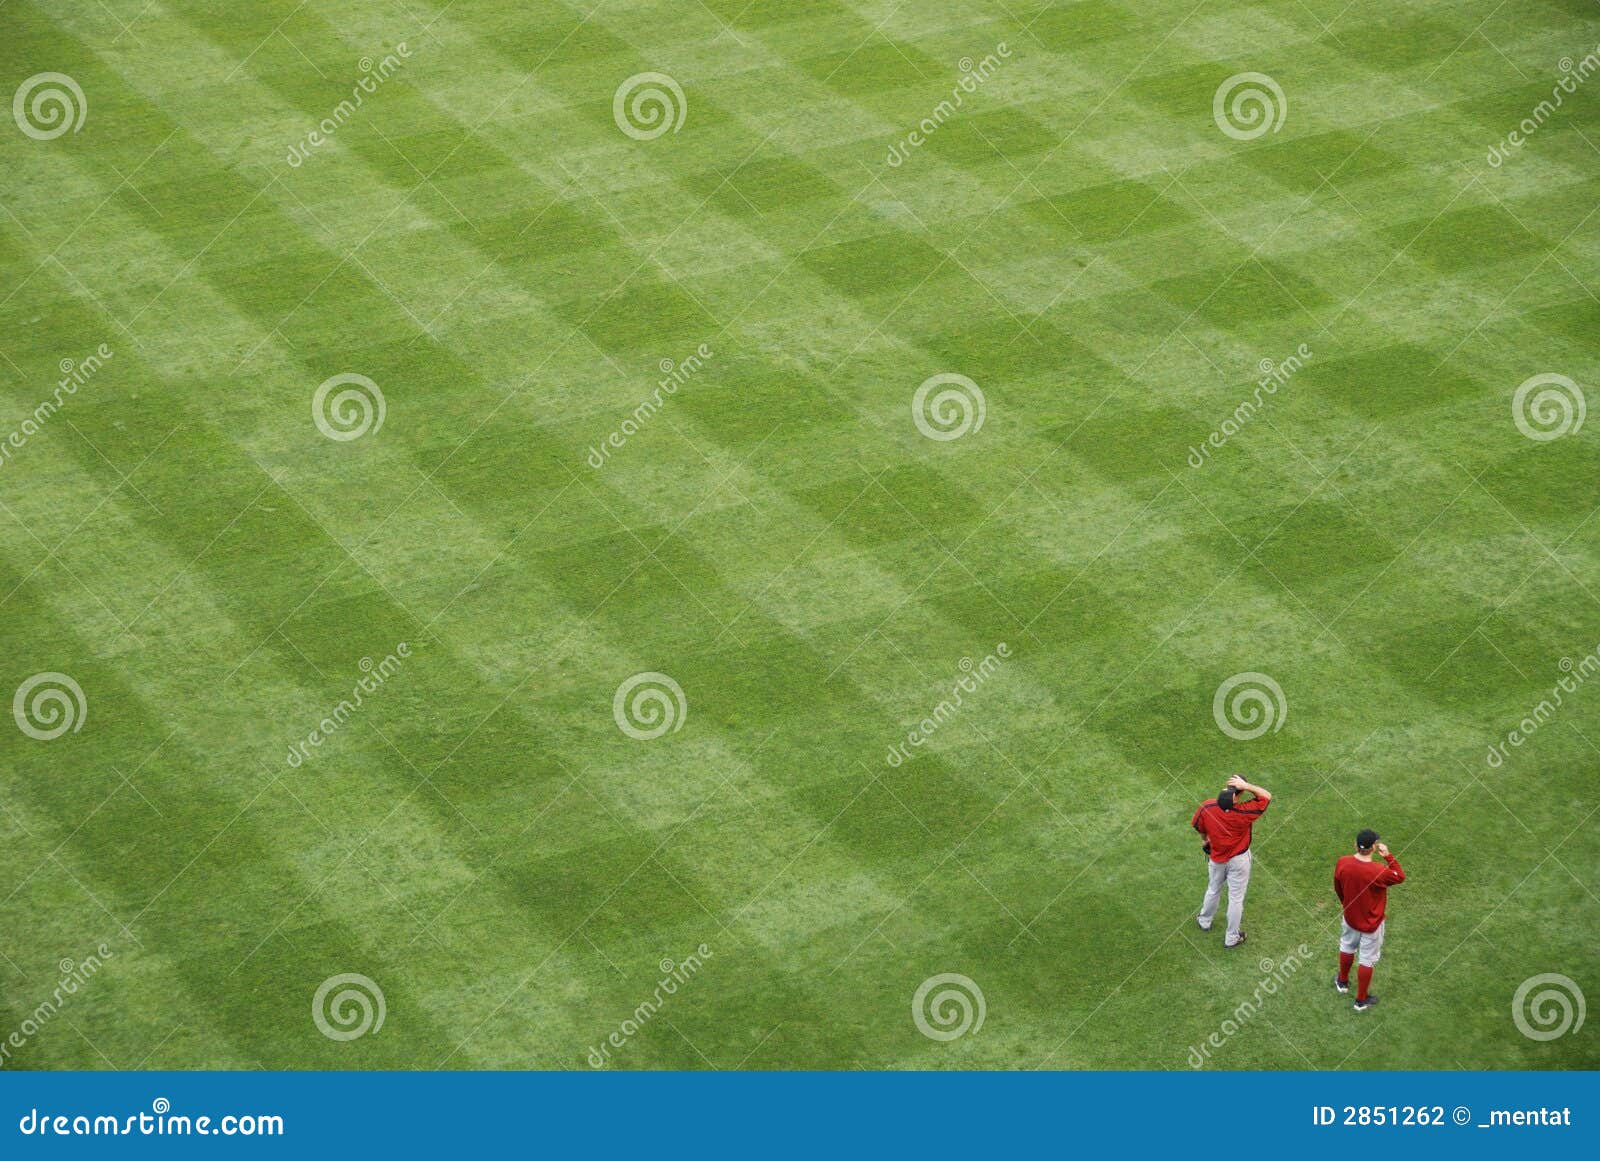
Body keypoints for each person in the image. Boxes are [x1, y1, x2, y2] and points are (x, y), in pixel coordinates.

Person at [1191, 774, 1272, 948]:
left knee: (1213, 889)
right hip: (1239, 860)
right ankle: (1231, 937)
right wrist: (1247, 785)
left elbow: (1198, 826)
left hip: (1217, 858)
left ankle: (1204, 920)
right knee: (1236, 898)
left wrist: (1205, 839)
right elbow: (1266, 796)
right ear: (1240, 793)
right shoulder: (1244, 812)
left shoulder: (1208, 806)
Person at [1333, 829, 1405, 1012]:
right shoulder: (1379, 871)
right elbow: (1399, 876)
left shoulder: (1343, 862)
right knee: (1366, 959)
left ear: (1355, 845)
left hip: (1350, 918)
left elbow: (1338, 886)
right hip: (1371, 925)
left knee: (1346, 946)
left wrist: (1346, 905)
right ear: (1373, 847)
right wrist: (1388, 856)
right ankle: (1360, 1000)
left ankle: (1342, 982)